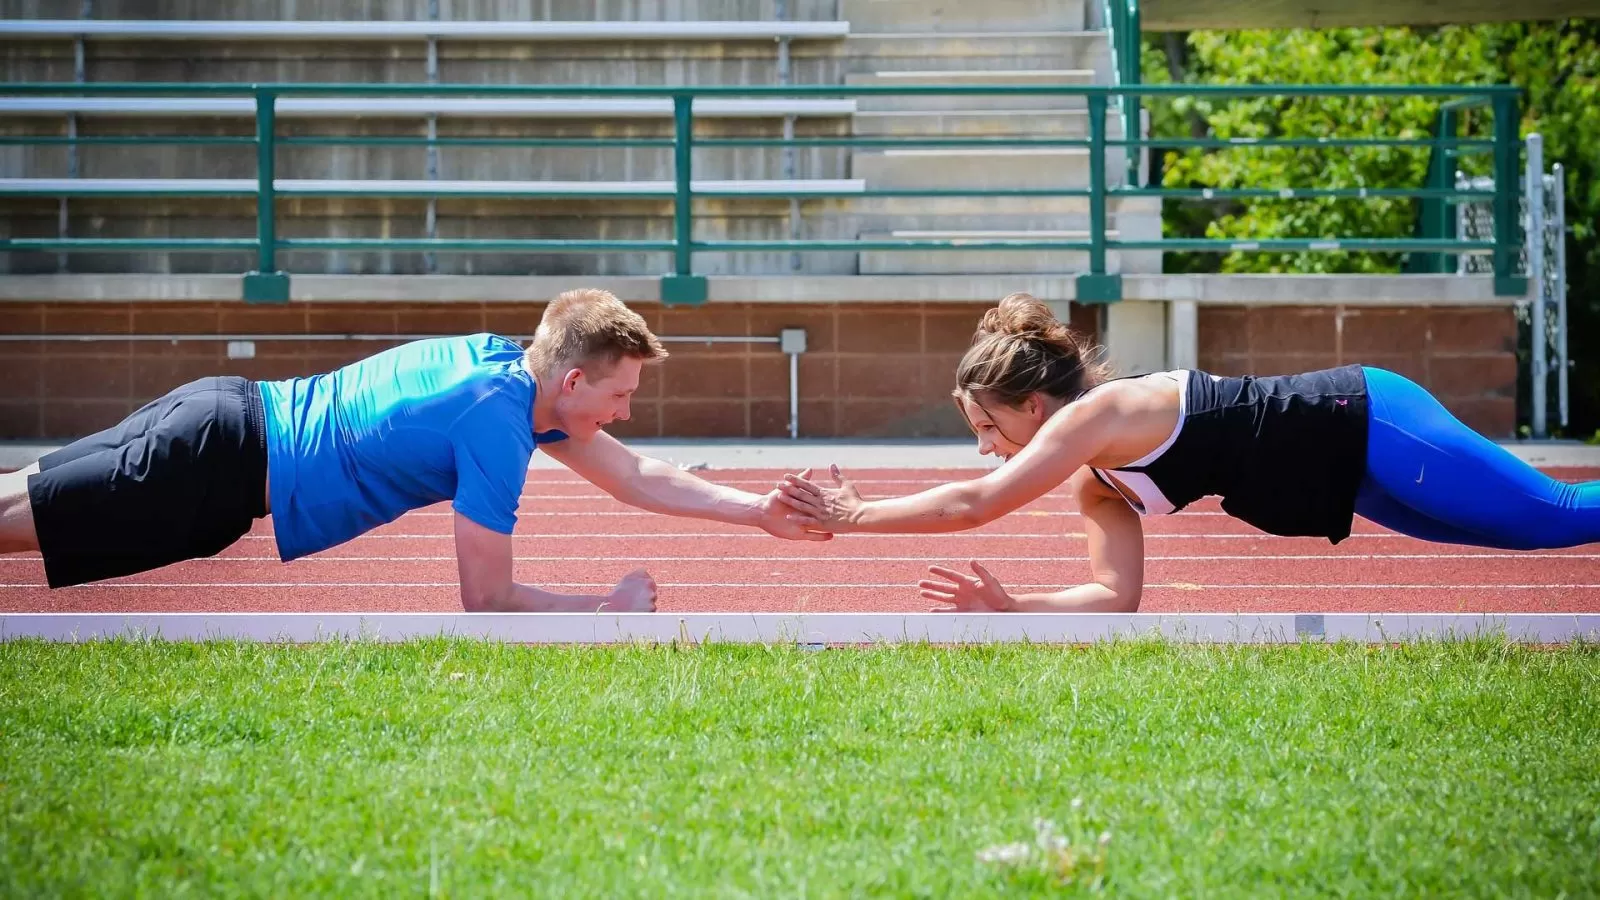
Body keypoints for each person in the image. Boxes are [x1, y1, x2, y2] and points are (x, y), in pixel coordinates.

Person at [0, 288, 831, 611]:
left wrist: (757, 513)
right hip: (212, 469)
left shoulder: (512, 369)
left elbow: (634, 475)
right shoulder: (497, 425)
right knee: (16, 521)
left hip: (219, 418)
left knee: (15, 497)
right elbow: (487, 597)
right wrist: (601, 611)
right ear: (574, 383)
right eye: (620, 395)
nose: (624, 415)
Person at [775, 292, 1600, 613]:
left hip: (1368, 416)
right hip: (1345, 475)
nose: (986, 449)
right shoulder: (1099, 482)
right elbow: (1114, 597)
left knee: (1557, 517)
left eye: (987, 428)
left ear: (1034, 405)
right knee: (1526, 534)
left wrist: (853, 516)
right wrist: (1013, 610)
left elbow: (975, 505)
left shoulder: (1101, 414)